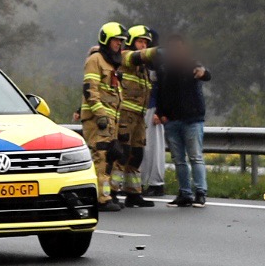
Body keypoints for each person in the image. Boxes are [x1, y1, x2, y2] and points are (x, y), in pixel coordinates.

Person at [153, 35, 211, 206]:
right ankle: (184, 193)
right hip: (171, 120)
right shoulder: (164, 69)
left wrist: (203, 73)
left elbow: (205, 74)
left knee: (195, 157)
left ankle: (200, 192)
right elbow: (161, 93)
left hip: (192, 119)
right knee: (178, 160)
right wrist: (161, 113)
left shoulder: (192, 64)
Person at [80, 23, 129, 210]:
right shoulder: (96, 60)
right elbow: (90, 90)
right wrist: (101, 115)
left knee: (110, 157)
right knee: (100, 156)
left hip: (111, 120)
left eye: (121, 41)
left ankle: (106, 195)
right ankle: (101, 199)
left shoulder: (112, 62)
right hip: (97, 119)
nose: (119, 44)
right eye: (117, 40)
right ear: (107, 40)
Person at [115, 26, 156, 208]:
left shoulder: (143, 68)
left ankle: (133, 193)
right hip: (125, 115)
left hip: (139, 116)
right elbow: (136, 56)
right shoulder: (125, 56)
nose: (143, 46)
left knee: (137, 155)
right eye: (140, 41)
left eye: (146, 43)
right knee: (121, 154)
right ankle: (113, 192)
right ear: (131, 42)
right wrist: (158, 52)